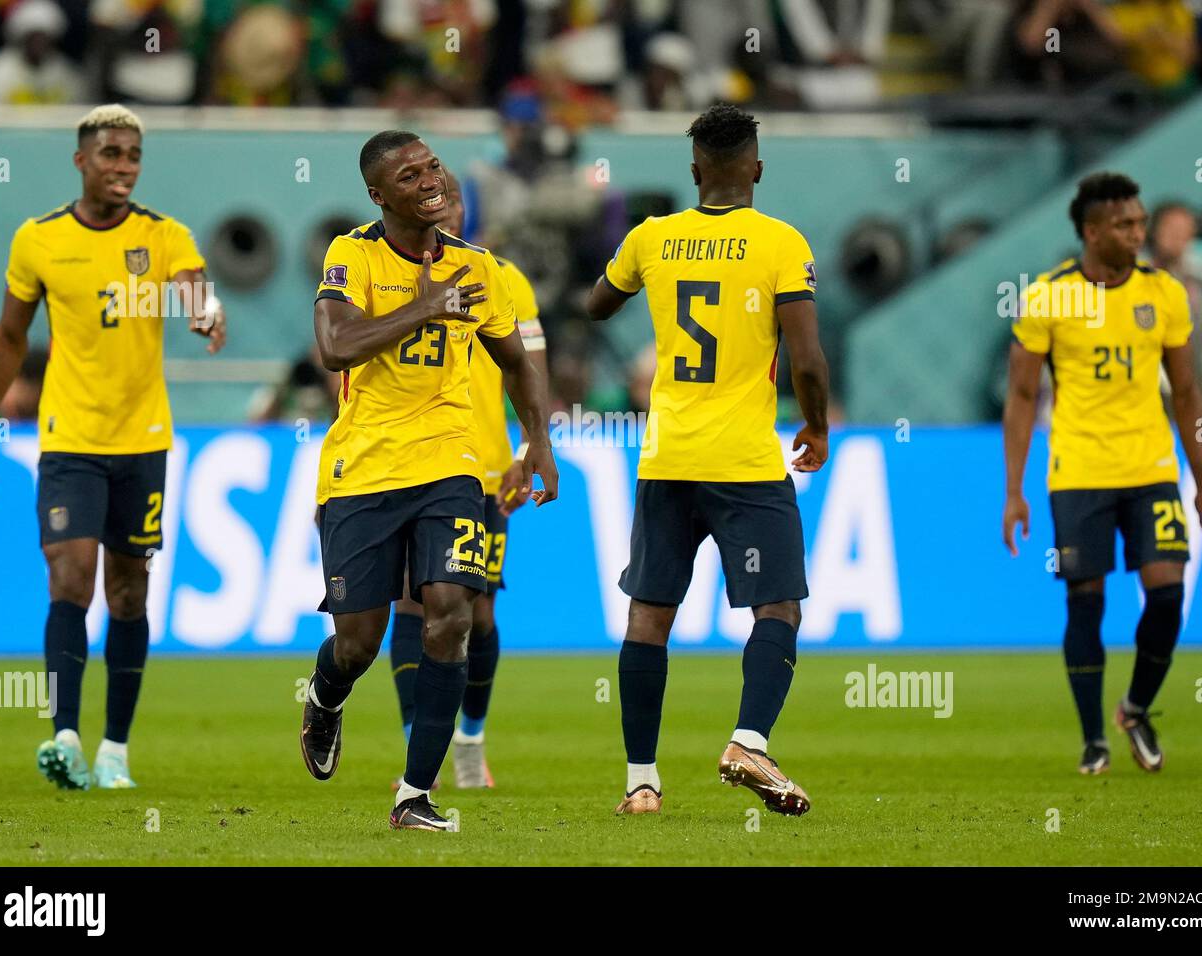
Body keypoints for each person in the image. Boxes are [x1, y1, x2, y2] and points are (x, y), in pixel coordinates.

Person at [298, 131, 557, 832]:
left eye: (433, 165)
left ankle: (415, 794)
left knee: (451, 614)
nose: (431, 179)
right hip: (364, 469)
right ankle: (325, 696)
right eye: (410, 175)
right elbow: (334, 346)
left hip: (451, 466)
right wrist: (427, 306)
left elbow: (515, 360)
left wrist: (538, 442)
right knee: (357, 642)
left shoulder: (480, 270)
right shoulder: (352, 254)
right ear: (381, 197)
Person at [0, 104, 227, 791]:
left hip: (141, 441)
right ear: (81, 160)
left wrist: (206, 312)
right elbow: (9, 337)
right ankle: (66, 739)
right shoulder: (40, 240)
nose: (123, 167)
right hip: (69, 439)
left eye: (133, 155)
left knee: (130, 595)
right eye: (111, 154)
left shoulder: (164, 235)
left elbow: (193, 289)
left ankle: (115, 749)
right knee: (71, 578)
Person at [586, 103, 830, 817]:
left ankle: (640, 782)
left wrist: (625, 271)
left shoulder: (652, 237)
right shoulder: (781, 243)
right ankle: (748, 740)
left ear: (695, 171)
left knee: (648, 616)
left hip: (667, 458)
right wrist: (816, 425)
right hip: (745, 460)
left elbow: (598, 304)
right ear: (756, 167)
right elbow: (807, 357)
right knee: (776, 605)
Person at [1003, 172, 1202, 776]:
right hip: (1078, 471)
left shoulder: (1165, 293)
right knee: (1087, 604)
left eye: (1140, 222)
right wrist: (1014, 490)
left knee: (1168, 596)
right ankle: (1093, 741)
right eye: (1125, 224)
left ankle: (1134, 708)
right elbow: (1023, 396)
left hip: (1151, 465)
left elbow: (1186, 392)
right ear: (1090, 231)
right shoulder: (1049, 297)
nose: (1139, 232)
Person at [386, 167, 549, 790]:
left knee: (474, 614)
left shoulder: (501, 279)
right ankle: (416, 744)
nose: (444, 208)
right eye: (434, 198)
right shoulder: (385, 270)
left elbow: (528, 365)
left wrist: (532, 445)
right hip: (402, 463)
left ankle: (470, 738)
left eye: (453, 199)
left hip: (481, 468)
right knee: (411, 599)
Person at [1148, 202, 1202, 422]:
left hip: (1197, 395)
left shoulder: (1201, 283)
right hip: (1147, 395)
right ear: (1154, 231)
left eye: (1185, 231)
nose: (1177, 237)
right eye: (1171, 229)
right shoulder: (1134, 279)